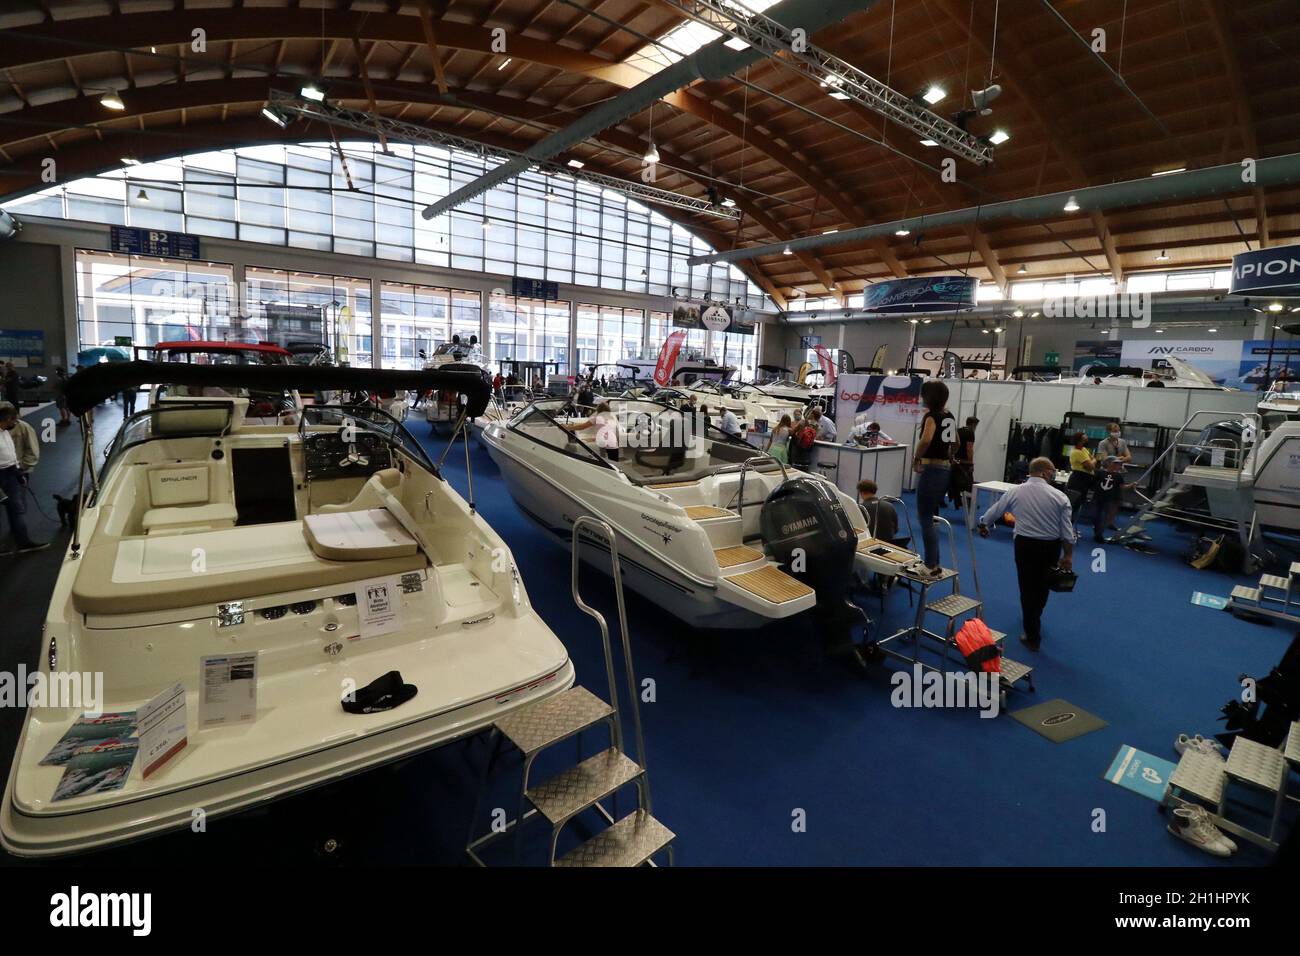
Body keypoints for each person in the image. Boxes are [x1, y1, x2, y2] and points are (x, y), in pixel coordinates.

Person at [977, 457, 1075, 652]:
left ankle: (1032, 633)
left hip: (1025, 545)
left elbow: (996, 510)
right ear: (1045, 472)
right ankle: (1035, 617)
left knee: (1027, 585)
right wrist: (1068, 555)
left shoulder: (1015, 491)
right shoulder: (1060, 497)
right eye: (1053, 470)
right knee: (1044, 585)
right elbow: (1067, 531)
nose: (1054, 474)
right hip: (1050, 547)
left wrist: (983, 524)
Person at [913, 379, 956, 577]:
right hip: (944, 470)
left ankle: (930, 564)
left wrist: (917, 457)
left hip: (931, 469)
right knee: (930, 517)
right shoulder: (949, 416)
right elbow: (956, 441)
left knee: (925, 518)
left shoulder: (931, 417)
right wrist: (950, 455)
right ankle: (934, 562)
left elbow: (926, 439)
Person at [0, 402, 47, 553]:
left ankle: (23, 542)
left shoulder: (5, 432)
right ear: (6, 419)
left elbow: (10, 456)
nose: (16, 422)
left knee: (16, 508)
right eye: (13, 420)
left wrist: (20, 474)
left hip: (11, 473)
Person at [1094, 422, 1131, 529]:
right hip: (1106, 474)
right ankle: (1100, 521)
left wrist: (1116, 459)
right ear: (1109, 432)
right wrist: (1120, 458)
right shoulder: (1102, 443)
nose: (1117, 432)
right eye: (1114, 431)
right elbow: (1104, 459)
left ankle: (1110, 522)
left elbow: (1129, 457)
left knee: (1116, 500)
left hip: (1118, 474)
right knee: (1105, 500)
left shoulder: (1122, 442)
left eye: (1118, 430)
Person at [948, 416, 978, 507]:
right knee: (969, 484)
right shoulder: (971, 432)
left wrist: (951, 457)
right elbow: (969, 449)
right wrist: (971, 463)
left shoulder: (958, 430)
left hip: (956, 460)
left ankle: (957, 501)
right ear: (973, 424)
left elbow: (951, 445)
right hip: (965, 462)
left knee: (955, 482)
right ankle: (970, 504)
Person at [1066, 431, 1096, 519]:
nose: (1086, 440)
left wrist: (1092, 461)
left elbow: (1093, 460)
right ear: (1079, 440)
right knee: (1073, 505)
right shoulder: (1077, 452)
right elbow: (1091, 466)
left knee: (1078, 504)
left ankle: (1071, 527)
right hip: (1078, 479)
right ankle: (1067, 527)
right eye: (1084, 439)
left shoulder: (1083, 449)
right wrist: (1092, 462)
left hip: (1085, 480)